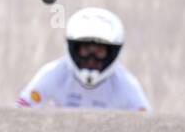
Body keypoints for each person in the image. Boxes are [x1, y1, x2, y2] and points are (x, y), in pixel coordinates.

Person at [16, 7, 149, 111]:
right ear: (73, 49)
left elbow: (147, 124)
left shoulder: (125, 85)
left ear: (112, 53)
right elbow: (22, 109)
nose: (91, 59)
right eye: (85, 49)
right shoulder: (54, 74)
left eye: (99, 51)